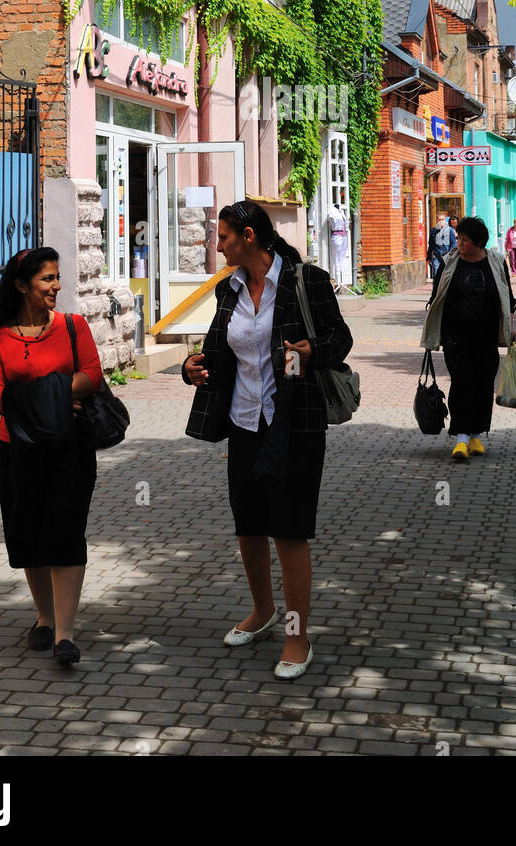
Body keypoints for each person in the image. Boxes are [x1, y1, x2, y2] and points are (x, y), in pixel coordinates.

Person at [182, 200, 352, 681]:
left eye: (224, 237)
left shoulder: (306, 281)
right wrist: (189, 369)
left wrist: (311, 351)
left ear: (250, 237)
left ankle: (298, 635)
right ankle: (263, 611)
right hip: (244, 423)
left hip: (294, 423)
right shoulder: (229, 289)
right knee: (250, 525)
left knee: (290, 531)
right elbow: (219, 349)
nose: (218, 245)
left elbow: (341, 339)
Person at [0, 247, 104, 667]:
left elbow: (93, 373)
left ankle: (65, 635)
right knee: (29, 533)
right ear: (21, 285)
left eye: (57, 277)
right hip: (18, 450)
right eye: (47, 279)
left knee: (66, 533)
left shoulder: (73, 326)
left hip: (70, 450)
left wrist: (54, 395)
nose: (57, 286)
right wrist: (50, 398)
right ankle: (44, 618)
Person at [421, 216, 516, 463]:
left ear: (478, 242)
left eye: (465, 239)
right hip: (456, 337)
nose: (460, 243)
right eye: (459, 238)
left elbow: (508, 298)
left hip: (486, 338)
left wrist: (512, 328)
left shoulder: (495, 262)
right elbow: (436, 298)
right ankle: (461, 437)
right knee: (462, 383)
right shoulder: (449, 263)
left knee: (484, 384)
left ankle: (477, 434)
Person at [426, 213, 457, 278]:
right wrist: (428, 257)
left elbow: (453, 243)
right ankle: (436, 287)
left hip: (446, 256)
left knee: (446, 274)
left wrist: (450, 253)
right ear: (437, 221)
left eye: (442, 219)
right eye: (439, 220)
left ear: (445, 220)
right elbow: (431, 244)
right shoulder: (433, 231)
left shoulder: (450, 230)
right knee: (436, 273)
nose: (441, 221)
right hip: (436, 256)